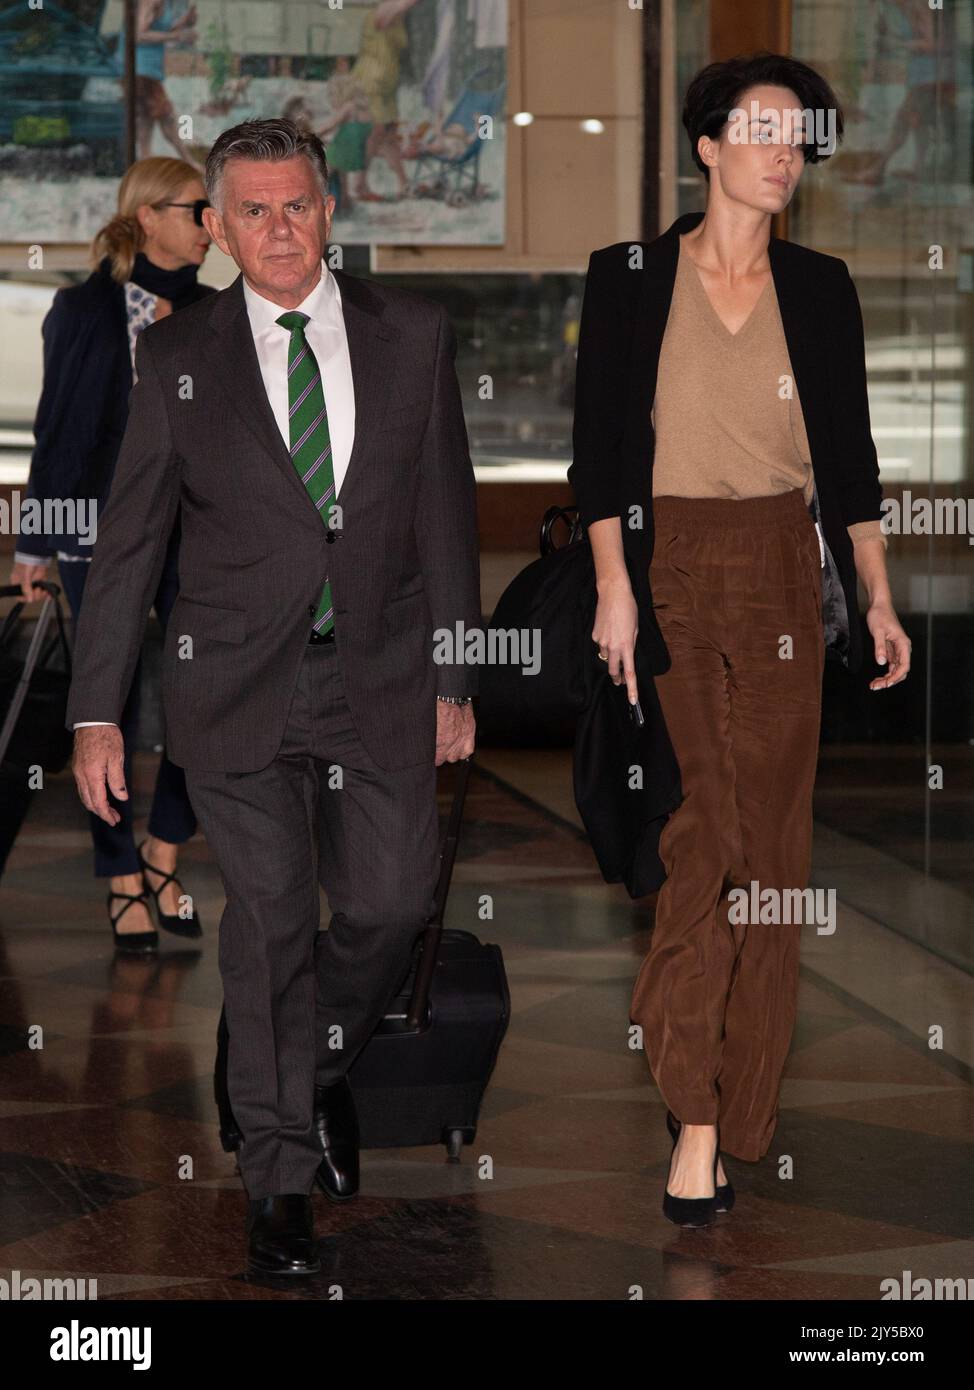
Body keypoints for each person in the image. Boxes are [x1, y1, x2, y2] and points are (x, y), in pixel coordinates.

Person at [64, 118, 480, 1275]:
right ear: (219, 225)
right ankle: (278, 1176)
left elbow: (448, 519)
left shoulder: (411, 336)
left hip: (382, 681)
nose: (277, 228)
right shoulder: (178, 354)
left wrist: (456, 675)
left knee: (392, 904)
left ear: (330, 210)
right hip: (233, 691)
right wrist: (96, 710)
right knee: (272, 924)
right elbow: (133, 539)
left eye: (295, 205)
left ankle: (309, 1056)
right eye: (251, 210)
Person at [567, 54, 911, 1229]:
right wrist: (611, 589)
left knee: (772, 861)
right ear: (704, 144)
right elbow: (598, 454)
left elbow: (849, 462)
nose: (784, 152)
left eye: (798, 137)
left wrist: (871, 591)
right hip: (665, 570)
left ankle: (741, 1106)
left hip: (777, 572)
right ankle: (693, 1114)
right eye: (761, 129)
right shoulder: (626, 277)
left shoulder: (817, 288)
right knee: (698, 834)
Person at [10, 157, 214, 951]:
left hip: (198, 533)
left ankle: (167, 849)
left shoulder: (221, 313)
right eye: (199, 209)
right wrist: (36, 542)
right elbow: (58, 433)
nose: (211, 225)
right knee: (109, 707)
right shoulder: (82, 310)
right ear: (150, 216)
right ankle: (121, 870)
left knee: (205, 691)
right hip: (97, 535)